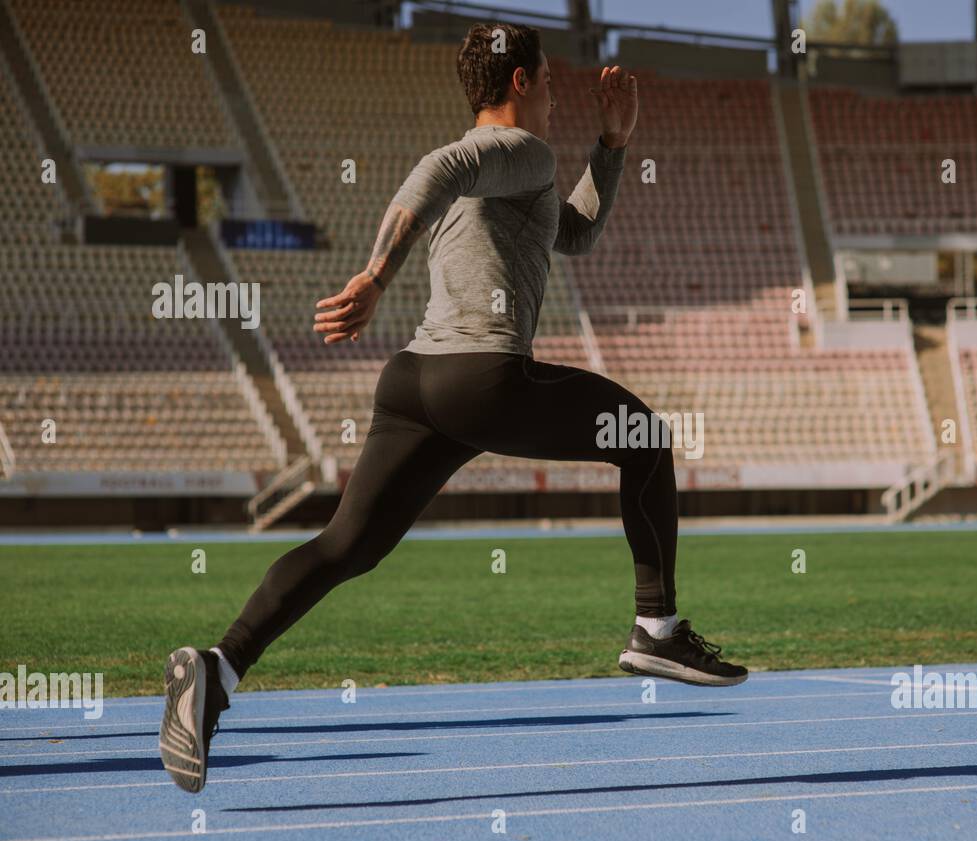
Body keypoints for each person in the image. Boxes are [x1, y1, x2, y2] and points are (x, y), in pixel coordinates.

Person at [159, 22, 747, 795]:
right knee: (645, 437)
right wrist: (375, 274)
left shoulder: (519, 175)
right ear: (521, 84)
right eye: (550, 78)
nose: (559, 90)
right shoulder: (515, 151)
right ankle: (657, 630)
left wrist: (611, 144)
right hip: (482, 377)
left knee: (346, 546)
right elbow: (437, 169)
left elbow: (573, 234)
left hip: (416, 386)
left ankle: (216, 667)